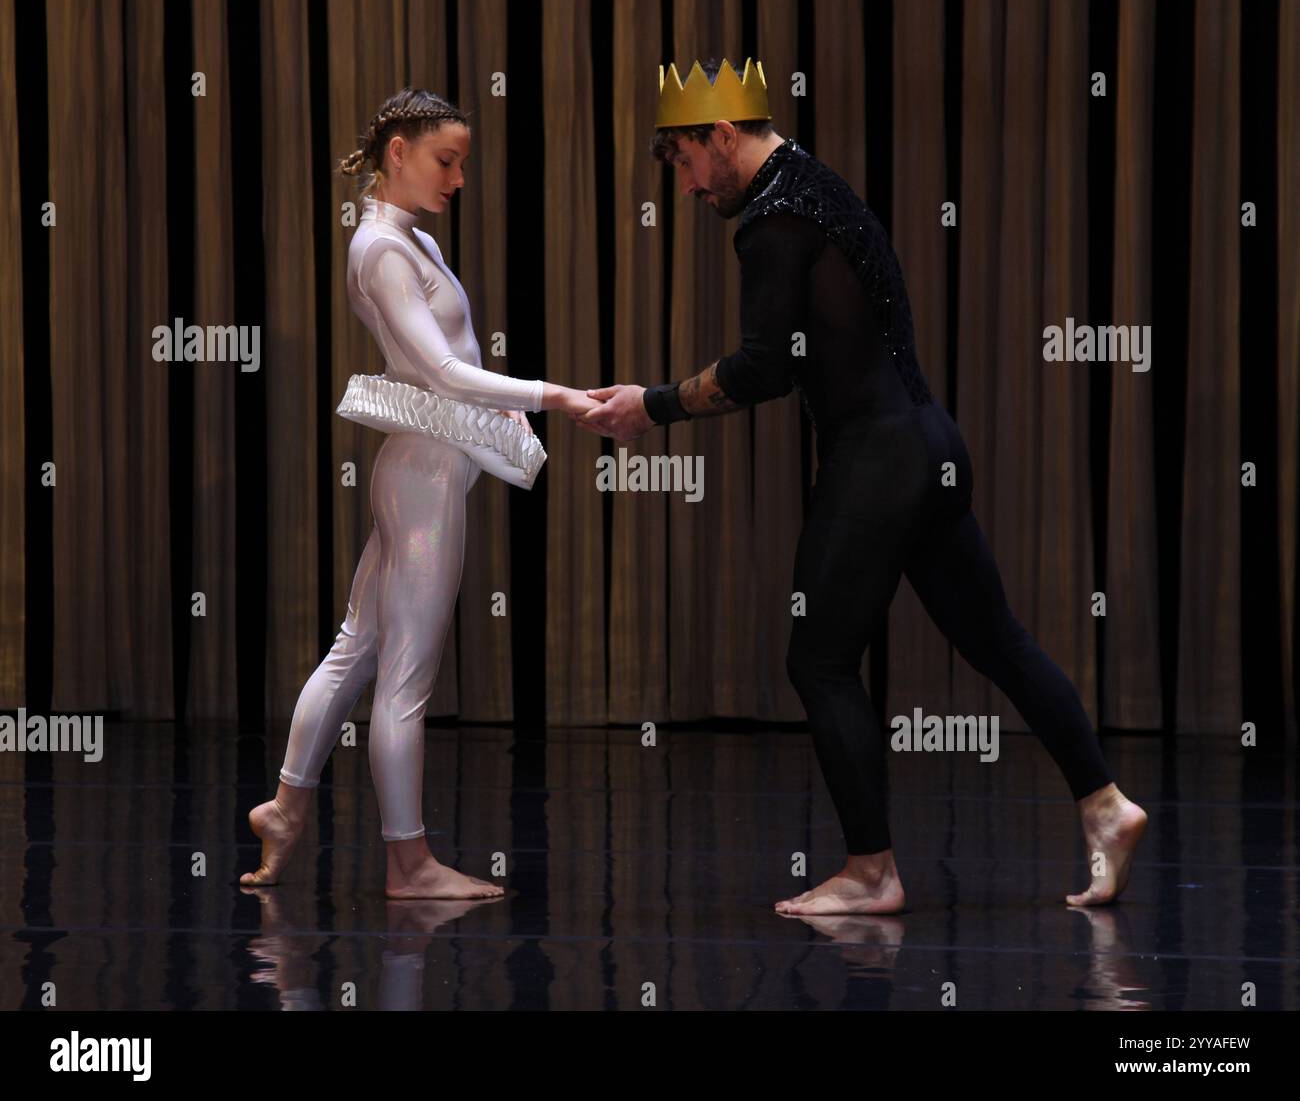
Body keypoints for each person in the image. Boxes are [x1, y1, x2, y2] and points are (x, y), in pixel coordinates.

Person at [575, 57, 1147, 914]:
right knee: (997, 640)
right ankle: (1107, 805)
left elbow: (764, 369)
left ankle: (872, 870)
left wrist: (649, 408)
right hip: (930, 444)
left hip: (875, 462)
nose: (690, 186)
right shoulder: (819, 182)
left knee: (819, 659)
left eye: (687, 161)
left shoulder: (771, 220)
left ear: (722, 135)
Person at [240, 88, 601, 898]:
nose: (459, 177)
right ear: (396, 152)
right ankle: (410, 865)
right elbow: (438, 371)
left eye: (462, 160)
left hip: (427, 464)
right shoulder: (382, 248)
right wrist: (557, 395)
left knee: (356, 648)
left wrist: (510, 402)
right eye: (447, 159)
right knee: (404, 677)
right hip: (428, 477)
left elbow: (447, 363)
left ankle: (287, 806)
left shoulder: (404, 237)